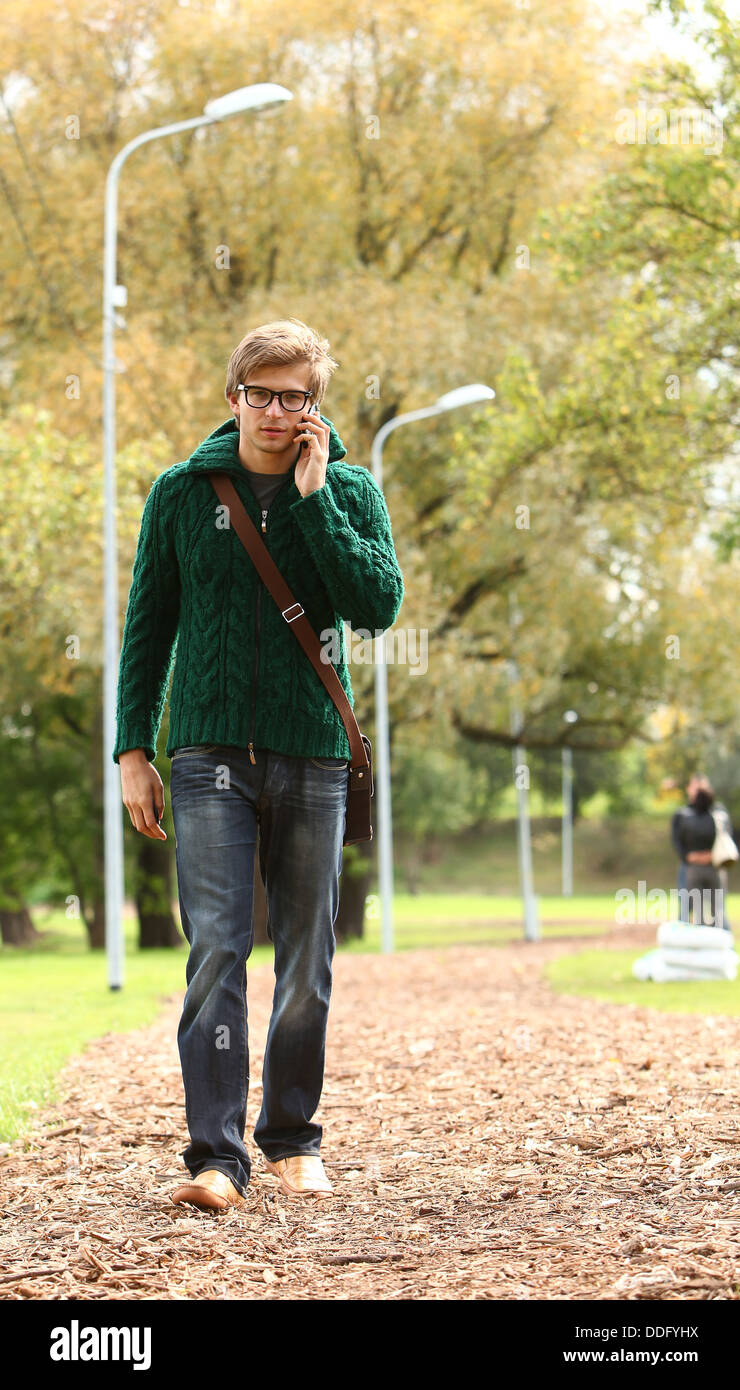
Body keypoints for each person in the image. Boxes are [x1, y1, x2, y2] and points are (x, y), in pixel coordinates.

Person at [113, 319, 404, 1210]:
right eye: (263, 394)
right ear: (233, 394)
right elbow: (146, 626)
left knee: (308, 951)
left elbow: (377, 606)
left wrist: (317, 502)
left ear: (315, 406)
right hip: (204, 756)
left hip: (313, 752)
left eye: (297, 398)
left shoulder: (348, 490)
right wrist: (133, 751)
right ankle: (216, 1158)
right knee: (216, 952)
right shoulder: (180, 492)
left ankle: (292, 1137)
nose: (278, 413)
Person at [672, 774, 733, 930]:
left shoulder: (718, 813)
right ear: (689, 789)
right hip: (689, 866)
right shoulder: (683, 814)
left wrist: (712, 856)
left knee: (717, 911)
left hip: (713, 865)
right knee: (688, 908)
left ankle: (723, 948)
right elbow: (677, 840)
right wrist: (689, 857)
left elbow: (726, 839)